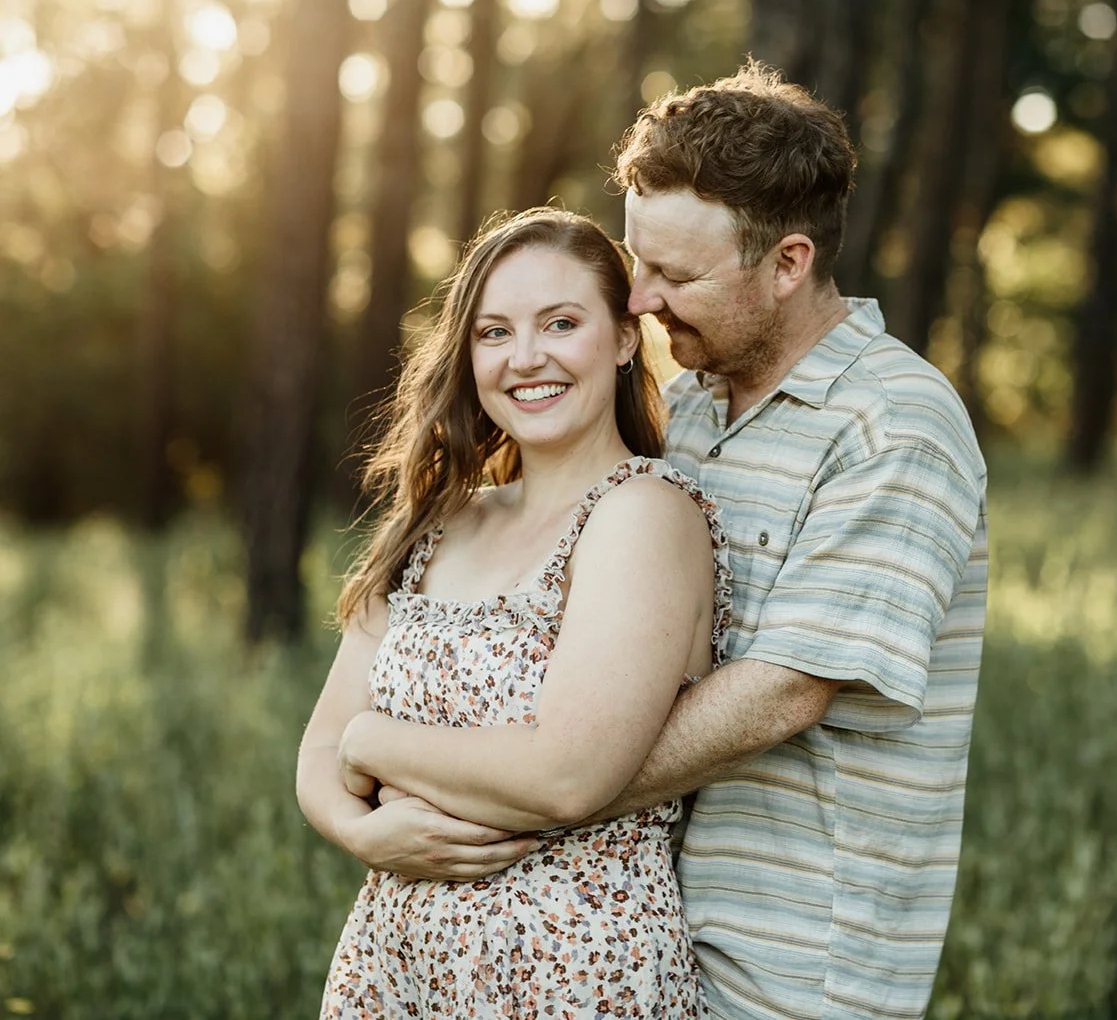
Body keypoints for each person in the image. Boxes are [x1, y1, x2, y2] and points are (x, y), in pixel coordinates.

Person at [331, 61, 989, 1019]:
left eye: (676, 274)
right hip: (651, 935)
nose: (639, 299)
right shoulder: (682, 410)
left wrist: (489, 790)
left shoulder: (892, 424)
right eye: (639, 261)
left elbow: (784, 693)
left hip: (799, 961)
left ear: (789, 262)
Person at [296, 207, 732, 1018]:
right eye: (494, 332)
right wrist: (363, 835)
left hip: (569, 968)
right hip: (391, 968)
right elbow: (317, 752)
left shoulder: (642, 512)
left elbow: (566, 777)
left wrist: (372, 743)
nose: (525, 358)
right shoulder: (443, 518)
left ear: (627, 336)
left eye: (561, 322)